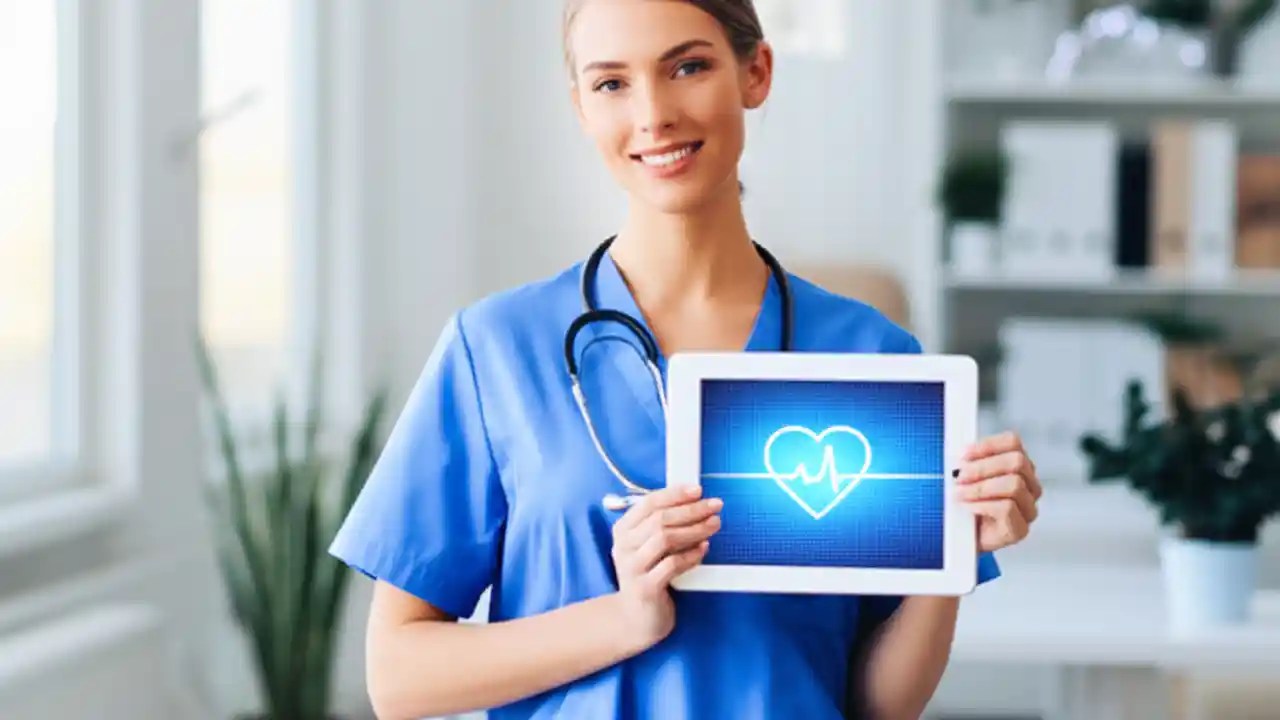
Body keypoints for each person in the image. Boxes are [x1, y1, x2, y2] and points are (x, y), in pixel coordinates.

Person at [328, 1, 1043, 718]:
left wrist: (949, 559)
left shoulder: (873, 356)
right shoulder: (497, 351)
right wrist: (624, 617)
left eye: (689, 67)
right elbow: (398, 677)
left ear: (755, 72)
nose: (654, 114)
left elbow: (879, 707)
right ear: (581, 107)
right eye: (612, 84)